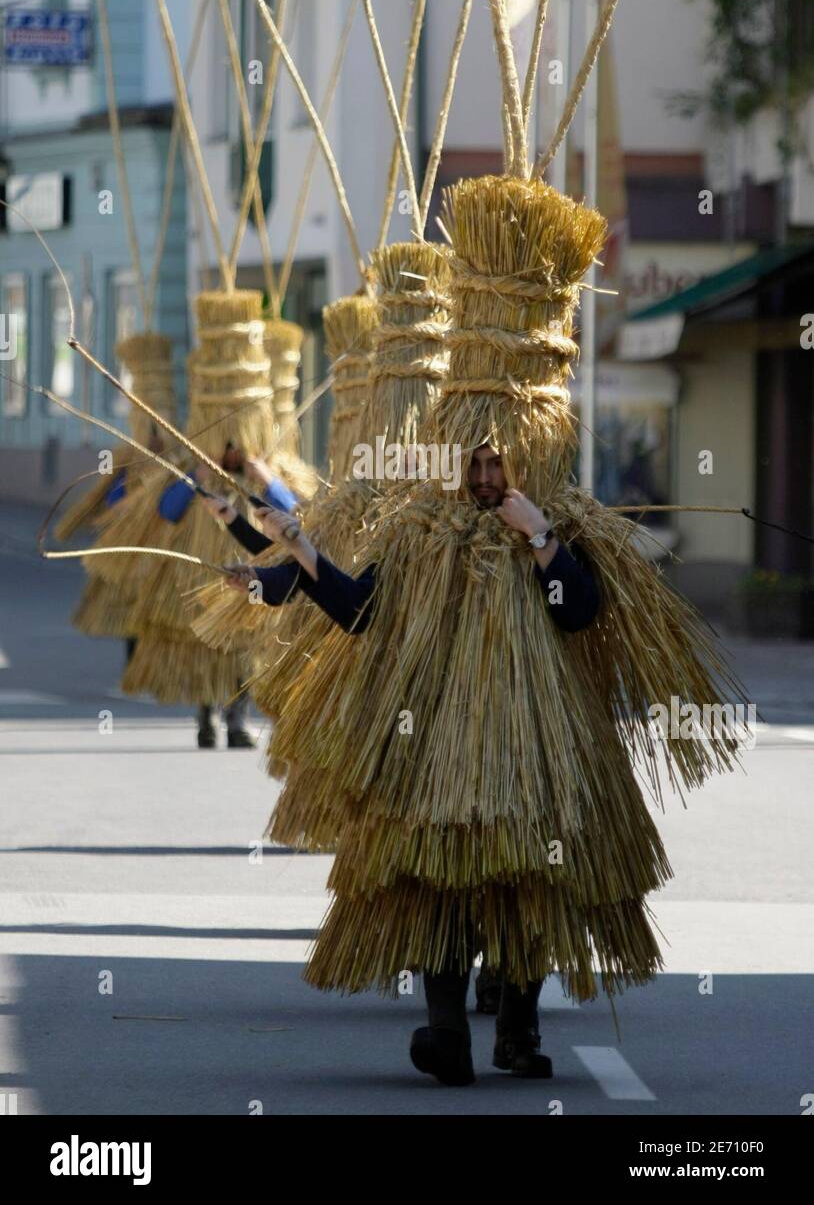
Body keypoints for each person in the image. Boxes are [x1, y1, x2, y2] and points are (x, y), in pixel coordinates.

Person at [218, 445, 600, 1083]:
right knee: (437, 875)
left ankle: (518, 1028)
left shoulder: (556, 525)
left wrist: (538, 535)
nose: (482, 481)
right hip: (437, 739)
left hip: (533, 735)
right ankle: (448, 1031)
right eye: (473, 466)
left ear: (520, 467)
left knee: (535, 875)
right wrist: (301, 550)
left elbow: (577, 610)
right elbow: (362, 611)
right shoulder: (416, 536)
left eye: (495, 467)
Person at [171, 442, 298, 750]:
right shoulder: (196, 472)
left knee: (246, 647)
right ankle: (206, 714)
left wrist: (268, 480)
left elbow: (300, 520)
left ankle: (238, 719)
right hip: (205, 574)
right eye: (225, 445)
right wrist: (195, 478)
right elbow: (167, 509)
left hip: (259, 574)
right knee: (206, 643)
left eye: (235, 445)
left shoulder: (271, 472)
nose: (230, 452)